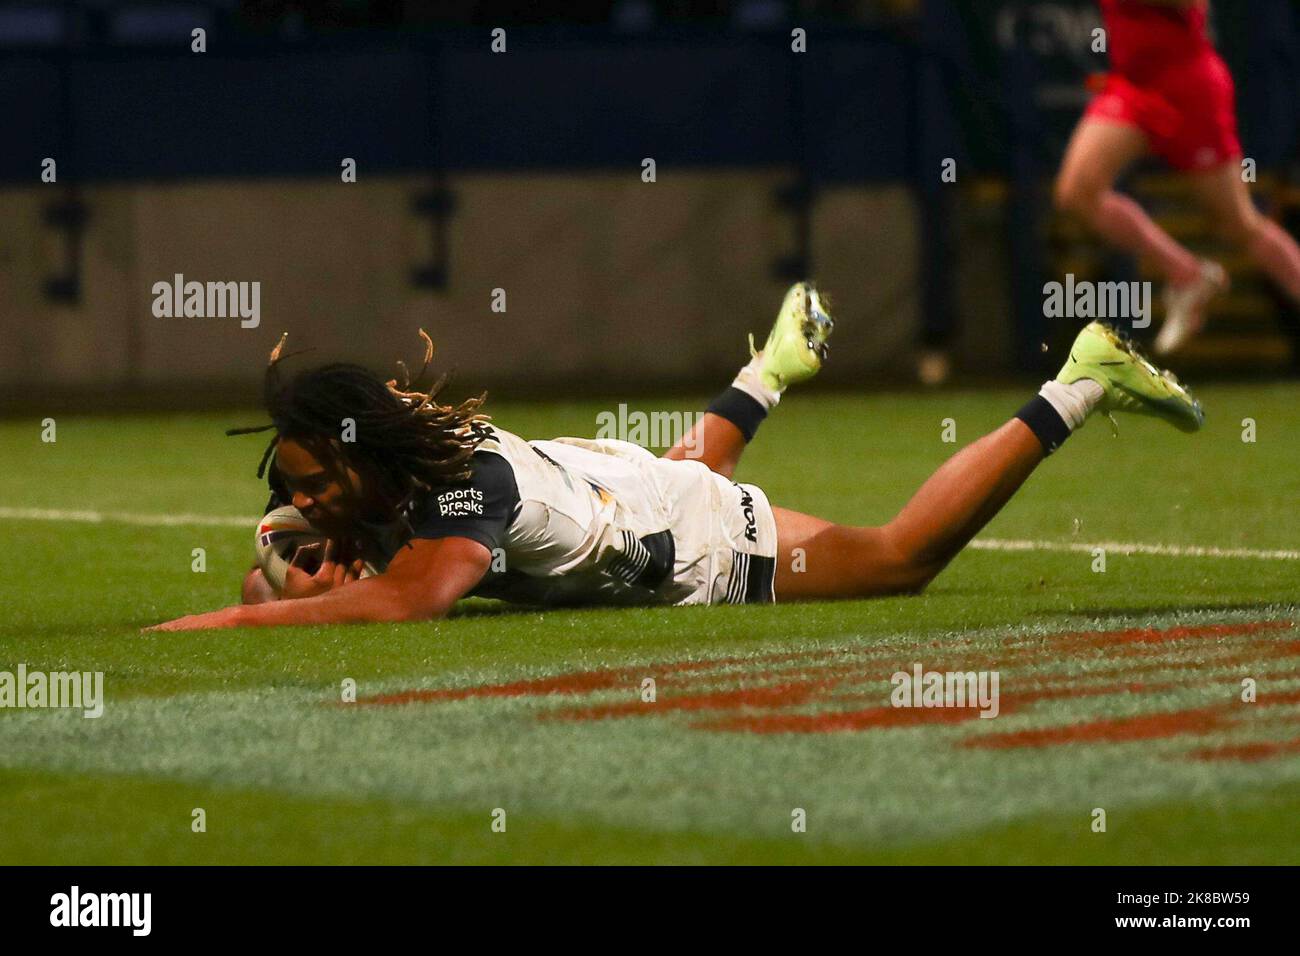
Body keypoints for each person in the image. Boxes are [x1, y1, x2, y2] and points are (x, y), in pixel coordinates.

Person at [149, 282, 1203, 631]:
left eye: (311, 475)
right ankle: (774, 365)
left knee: (896, 560)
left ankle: (1079, 378)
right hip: (612, 481)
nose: (298, 496)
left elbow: (409, 600)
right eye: (290, 481)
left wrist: (236, 613)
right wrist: (281, 566)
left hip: (695, 546)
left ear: (364, 456)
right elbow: (301, 562)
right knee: (661, 476)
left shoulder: (463, 489)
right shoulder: (386, 478)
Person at [1054, 0, 1300, 353]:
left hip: (1188, 87)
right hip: (1133, 85)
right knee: (1077, 192)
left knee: (1239, 223)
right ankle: (1186, 273)